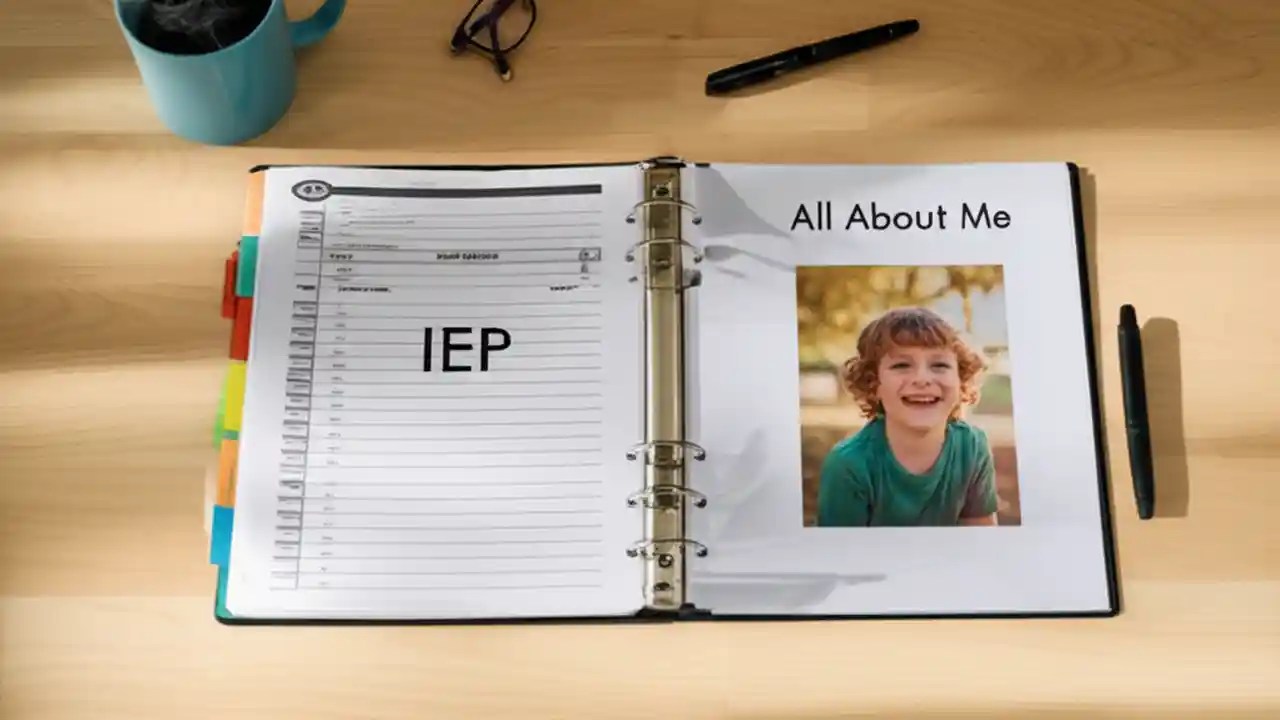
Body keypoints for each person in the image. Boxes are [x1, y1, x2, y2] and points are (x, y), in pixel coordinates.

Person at [816, 307, 999, 527]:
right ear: (874, 384)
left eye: (939, 365)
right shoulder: (849, 464)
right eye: (901, 365)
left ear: (961, 382)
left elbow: (982, 539)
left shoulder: (972, 447)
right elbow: (842, 556)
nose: (922, 379)